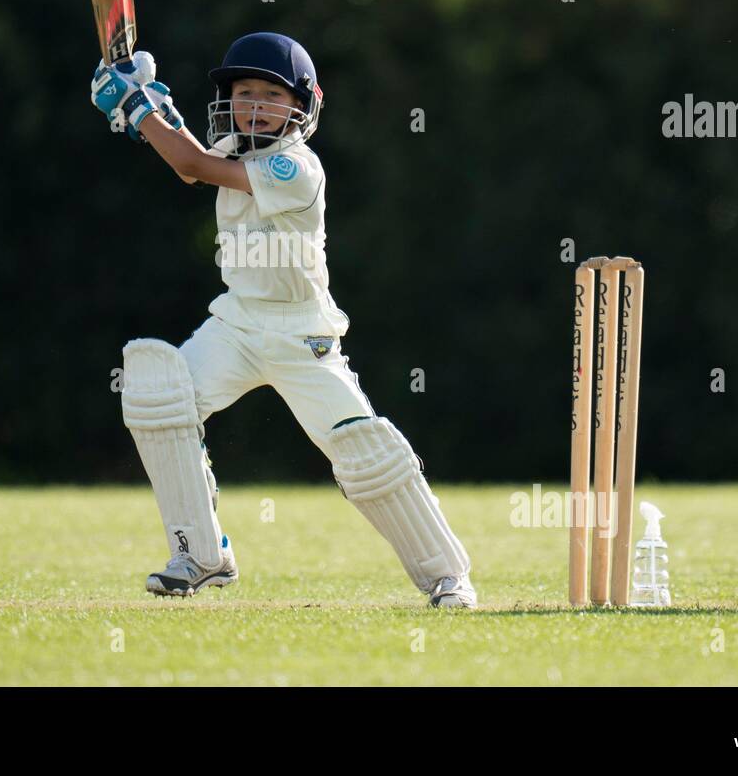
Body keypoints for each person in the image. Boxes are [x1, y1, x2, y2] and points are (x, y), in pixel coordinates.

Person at [90, 32, 475, 608]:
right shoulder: (236, 152)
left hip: (303, 334)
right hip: (236, 324)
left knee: (364, 450)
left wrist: (135, 106)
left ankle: (447, 576)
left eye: (272, 94)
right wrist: (148, 101)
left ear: (301, 106)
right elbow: (194, 164)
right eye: (244, 92)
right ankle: (200, 555)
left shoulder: (297, 167)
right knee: (158, 397)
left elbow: (190, 162)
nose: (255, 105)